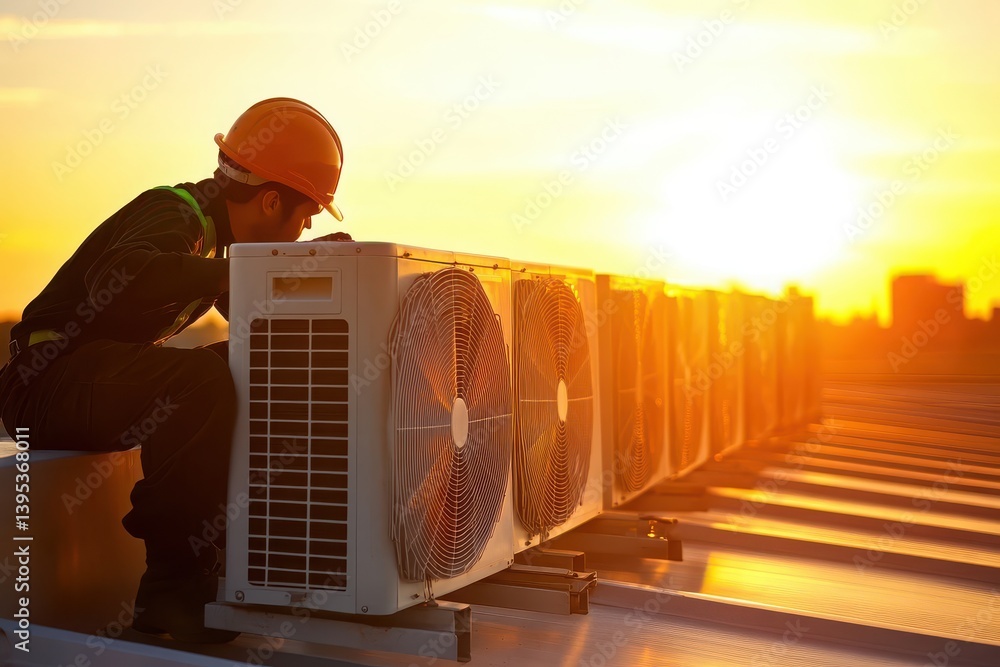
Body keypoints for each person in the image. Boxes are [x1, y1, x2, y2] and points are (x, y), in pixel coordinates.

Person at [0, 98, 345, 643]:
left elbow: (260, 330)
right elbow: (125, 275)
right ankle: (172, 591)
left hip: (86, 381)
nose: (300, 234)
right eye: (303, 220)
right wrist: (238, 272)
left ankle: (261, 559)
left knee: (244, 366)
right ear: (271, 199)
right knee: (199, 383)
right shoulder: (176, 212)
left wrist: (316, 273)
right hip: (43, 381)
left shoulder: (220, 243)